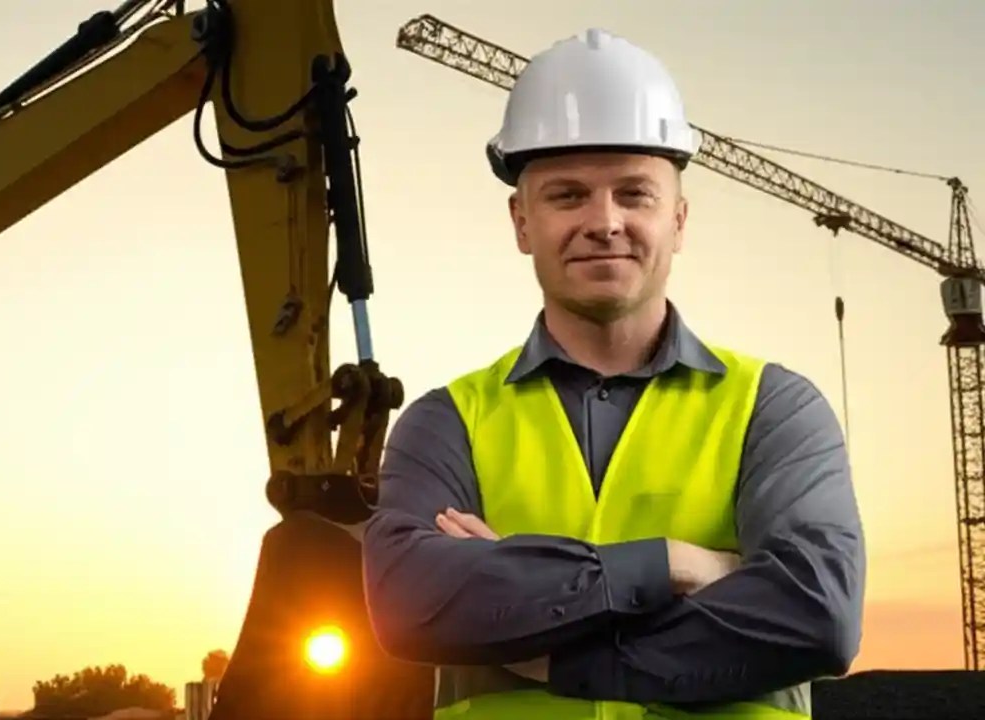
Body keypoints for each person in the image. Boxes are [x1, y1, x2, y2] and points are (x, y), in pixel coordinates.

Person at [360, 27, 866, 720]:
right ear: (521, 222)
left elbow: (817, 614)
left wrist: (548, 634)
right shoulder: (445, 421)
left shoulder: (774, 408)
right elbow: (410, 603)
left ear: (679, 220)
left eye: (635, 194)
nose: (604, 222)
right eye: (568, 195)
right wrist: (670, 565)